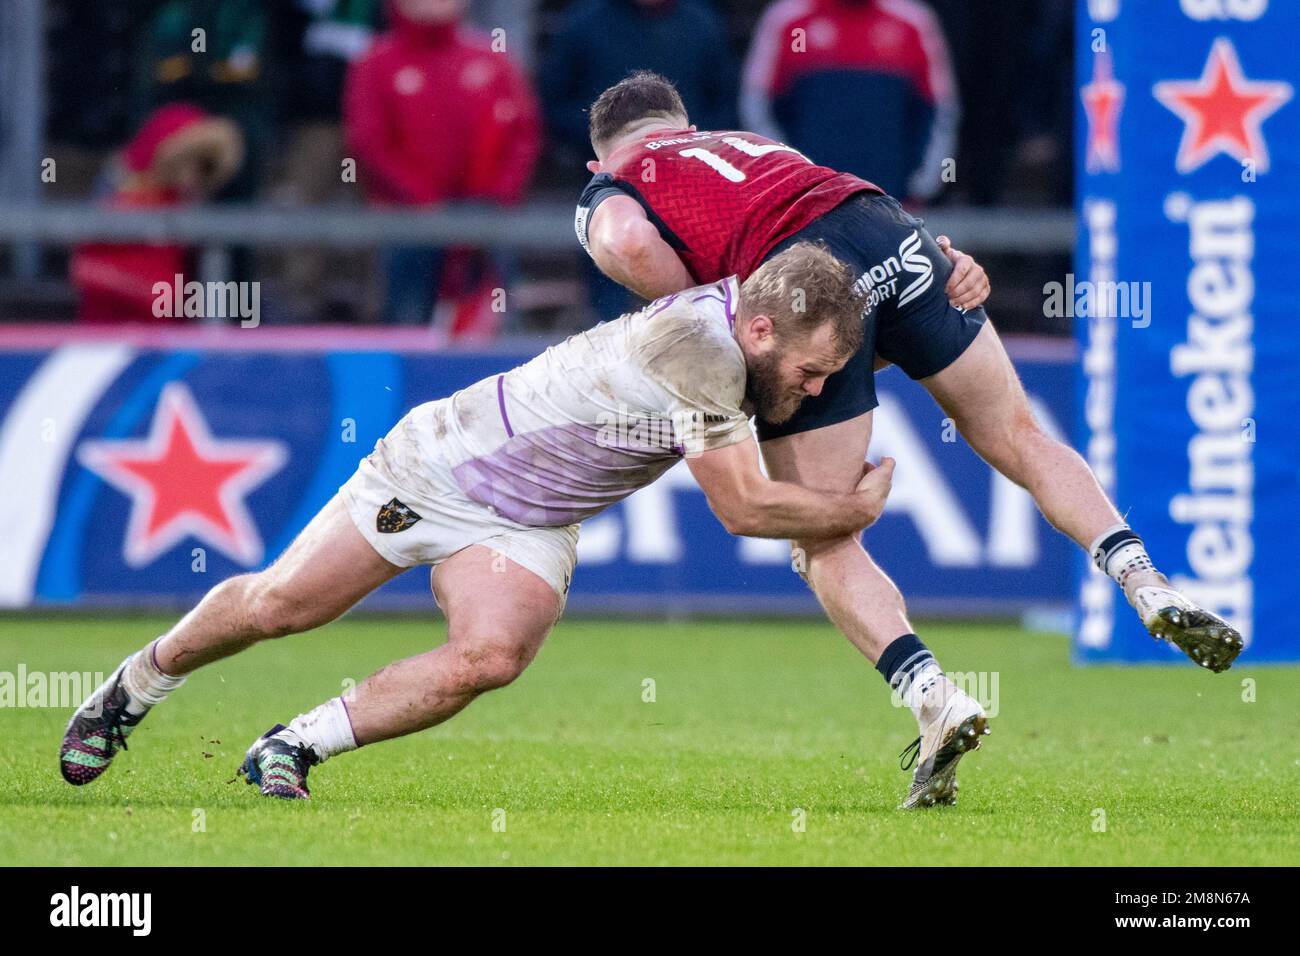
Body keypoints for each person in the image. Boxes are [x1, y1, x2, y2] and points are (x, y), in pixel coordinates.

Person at [574, 72, 1243, 808]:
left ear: (599, 160)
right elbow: (835, 223)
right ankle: (1142, 578)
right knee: (1018, 434)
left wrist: (705, 320)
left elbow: (627, 240)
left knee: (821, 533)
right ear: (684, 120)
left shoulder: (618, 182)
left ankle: (934, 699)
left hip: (802, 274)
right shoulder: (739, 142)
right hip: (891, 229)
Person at [60, 243, 897, 800]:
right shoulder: (701, 350)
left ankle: (292, 746)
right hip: (443, 464)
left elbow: (846, 335)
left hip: (529, 521)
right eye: (811, 372)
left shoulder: (756, 326)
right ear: (758, 329)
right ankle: (135, 686)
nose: (816, 389)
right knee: (284, 606)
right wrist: (850, 509)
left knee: (491, 658)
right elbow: (740, 506)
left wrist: (947, 289)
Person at [344, 0, 541, 328]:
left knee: (494, 327)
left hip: (485, 220)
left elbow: (523, 134)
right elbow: (368, 144)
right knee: (406, 324)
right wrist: (421, 203)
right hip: (410, 221)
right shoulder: (375, 62)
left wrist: (498, 198)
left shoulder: (491, 59)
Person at [741, 0, 959, 203]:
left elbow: (938, 110)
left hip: (890, 201)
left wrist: (924, 184)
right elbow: (759, 106)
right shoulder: (790, 20)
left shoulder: (912, 22)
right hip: (809, 204)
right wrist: (787, 179)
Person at [69, 103, 243, 324]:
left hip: (164, 337)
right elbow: (84, 269)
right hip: (108, 334)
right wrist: (144, 290)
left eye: (203, 167)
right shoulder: (117, 206)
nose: (192, 176)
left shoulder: (184, 213)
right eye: (189, 162)